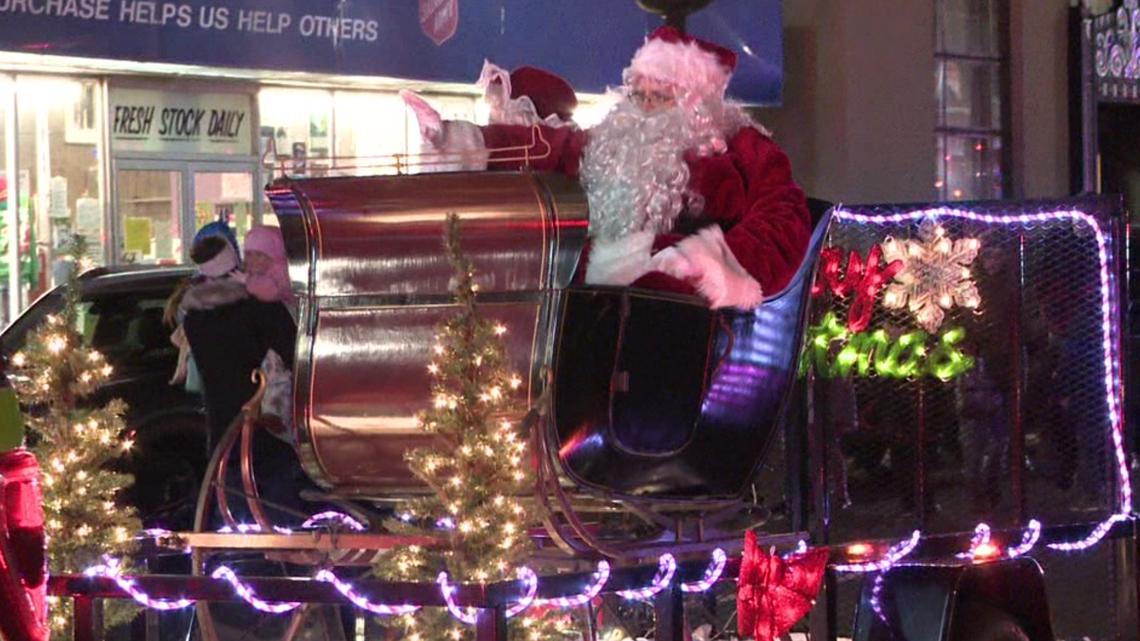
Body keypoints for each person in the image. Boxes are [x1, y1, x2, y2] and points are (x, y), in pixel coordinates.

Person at [406, 26, 811, 310]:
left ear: (697, 101)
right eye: (639, 93)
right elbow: (553, 148)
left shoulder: (742, 147)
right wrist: (462, 140)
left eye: (662, 95)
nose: (646, 106)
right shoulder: (611, 141)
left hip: (689, 318)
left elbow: (784, 218)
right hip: (587, 304)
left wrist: (699, 264)